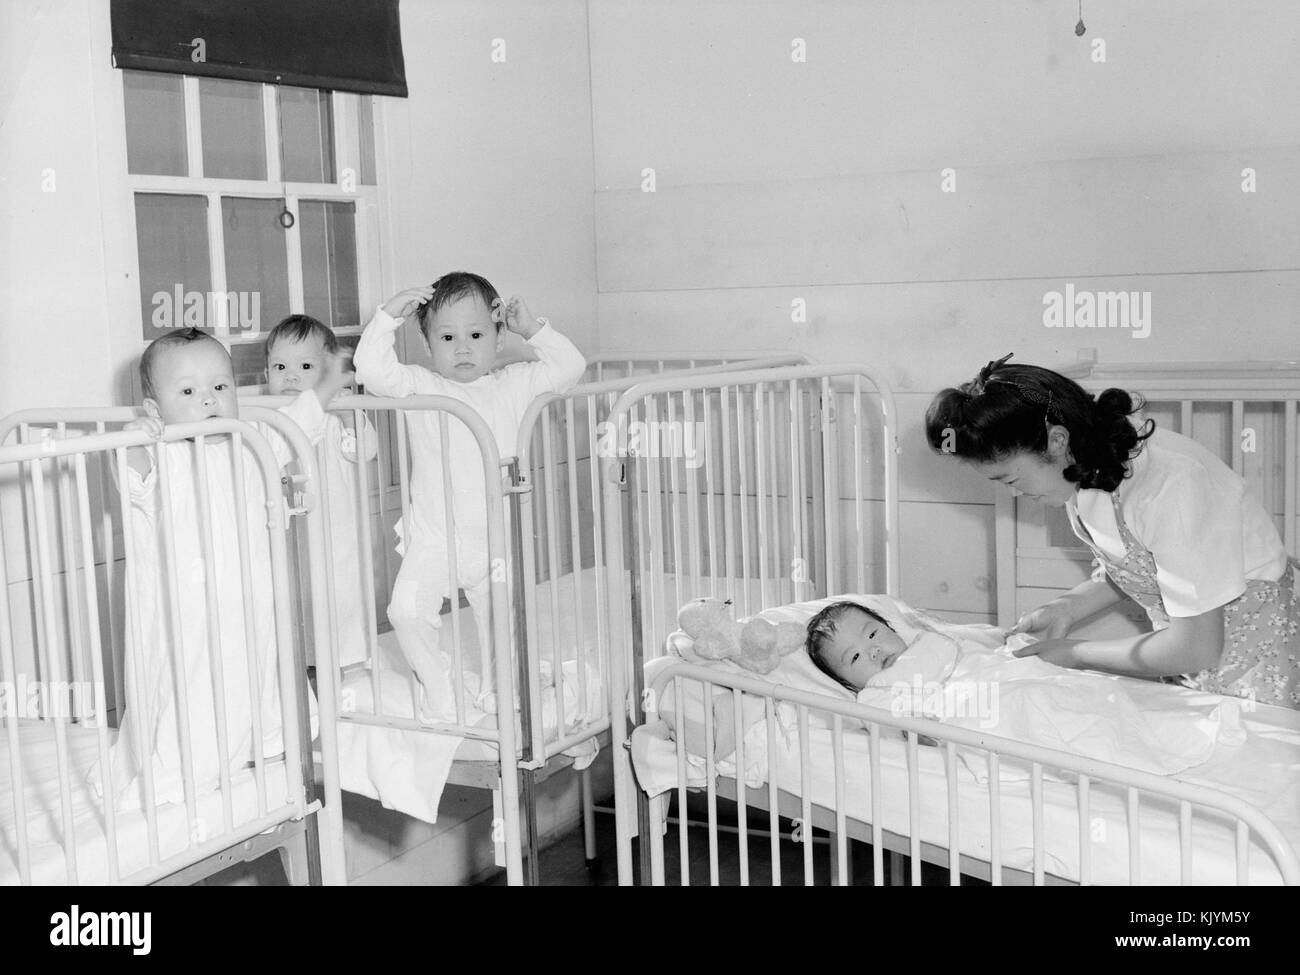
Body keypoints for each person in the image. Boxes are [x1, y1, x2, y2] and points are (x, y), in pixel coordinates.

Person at [925, 354, 1299, 710]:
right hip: (1194, 662)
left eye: (1010, 478)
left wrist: (1076, 653)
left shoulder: (1169, 487)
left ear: (1057, 440)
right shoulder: (1083, 470)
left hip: (1259, 667)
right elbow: (1144, 567)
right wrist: (1068, 607)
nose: (1013, 493)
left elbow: (1197, 647)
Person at [109, 328, 350, 805]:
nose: (209, 400)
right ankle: (184, 777)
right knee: (193, 692)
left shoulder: (252, 442)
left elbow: (302, 419)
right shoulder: (165, 454)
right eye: (188, 391)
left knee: (260, 677)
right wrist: (136, 440)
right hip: (192, 619)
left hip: (249, 610)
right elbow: (131, 474)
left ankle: (261, 748)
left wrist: (332, 379)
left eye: (220, 387)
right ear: (156, 410)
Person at [353, 272, 586, 720]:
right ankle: (440, 685)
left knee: (502, 621)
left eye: (476, 334)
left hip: (495, 540)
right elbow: (371, 371)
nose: (462, 347)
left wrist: (533, 329)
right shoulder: (419, 385)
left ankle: (503, 686)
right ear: (426, 343)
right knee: (404, 611)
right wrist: (386, 318)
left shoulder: (513, 384)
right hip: (435, 540)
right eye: (447, 336)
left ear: (499, 338)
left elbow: (570, 368)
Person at [265, 314, 379, 667]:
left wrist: (348, 416)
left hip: (333, 532)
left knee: (338, 600)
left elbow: (365, 450)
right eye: (279, 366)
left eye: (305, 366)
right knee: (292, 605)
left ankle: (348, 669)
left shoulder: (333, 415)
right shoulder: (267, 419)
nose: (291, 375)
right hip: (287, 536)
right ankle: (303, 671)